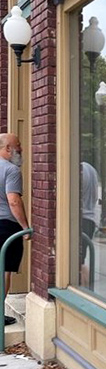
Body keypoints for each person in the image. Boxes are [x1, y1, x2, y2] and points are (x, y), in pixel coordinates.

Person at [0, 133, 31, 326]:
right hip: (5, 227)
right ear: (7, 149)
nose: (21, 149)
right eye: (17, 145)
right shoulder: (11, 170)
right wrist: (25, 227)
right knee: (4, 272)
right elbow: (13, 200)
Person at [80, 161, 99, 286]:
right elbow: (96, 196)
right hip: (90, 220)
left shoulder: (79, 170)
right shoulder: (91, 169)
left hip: (80, 219)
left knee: (77, 264)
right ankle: (87, 291)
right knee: (81, 260)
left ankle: (83, 292)